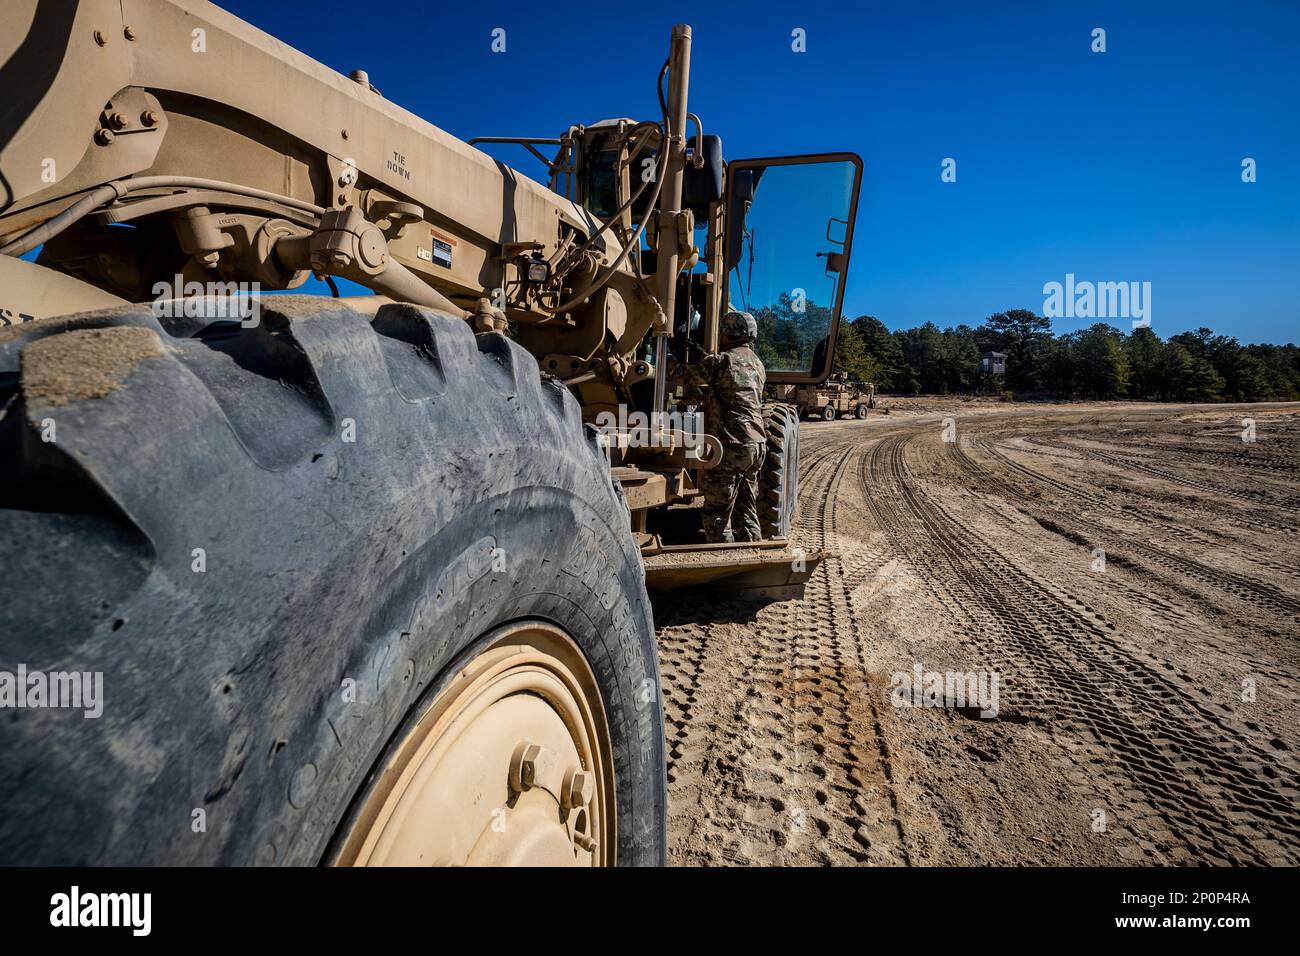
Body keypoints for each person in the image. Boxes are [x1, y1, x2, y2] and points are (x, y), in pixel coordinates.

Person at [669, 310, 767, 543]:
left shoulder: (723, 361)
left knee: (717, 514)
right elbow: (731, 389)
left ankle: (726, 562)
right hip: (756, 445)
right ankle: (753, 555)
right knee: (746, 510)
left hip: (731, 446)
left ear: (726, 333)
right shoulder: (757, 364)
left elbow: (682, 374)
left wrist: (667, 353)